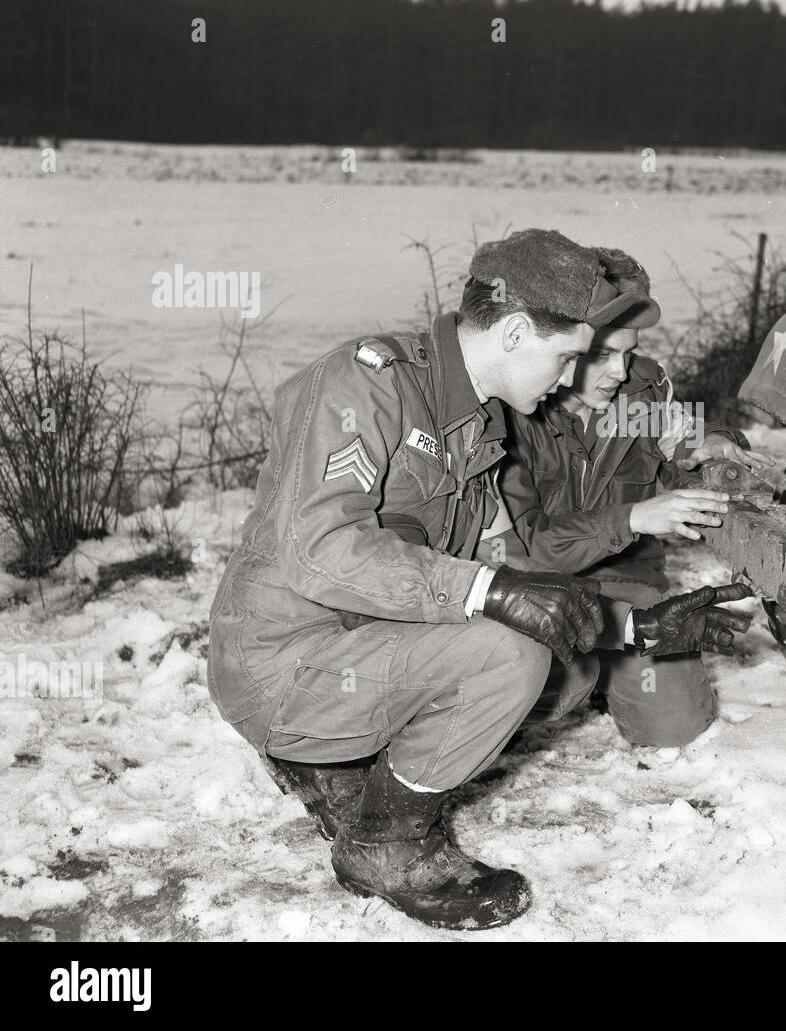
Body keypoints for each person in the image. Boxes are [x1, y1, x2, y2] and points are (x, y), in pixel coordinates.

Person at [207, 229, 748, 930]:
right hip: (280, 664)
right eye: (566, 358)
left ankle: (344, 768)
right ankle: (386, 845)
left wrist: (637, 628)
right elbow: (321, 550)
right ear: (518, 332)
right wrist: (487, 593)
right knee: (510, 654)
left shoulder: (478, 421)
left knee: (550, 654)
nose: (568, 380)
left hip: (362, 649)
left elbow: (519, 576)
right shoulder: (362, 385)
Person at [485, 247, 772, 748]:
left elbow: (681, 441)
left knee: (677, 726)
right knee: (551, 685)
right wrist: (638, 516)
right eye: (601, 355)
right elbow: (524, 549)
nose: (619, 371)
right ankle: (585, 667)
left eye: (628, 352)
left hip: (626, 584)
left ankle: (613, 657)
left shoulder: (643, 386)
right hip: (539, 587)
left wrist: (713, 448)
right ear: (564, 342)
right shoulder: (508, 408)